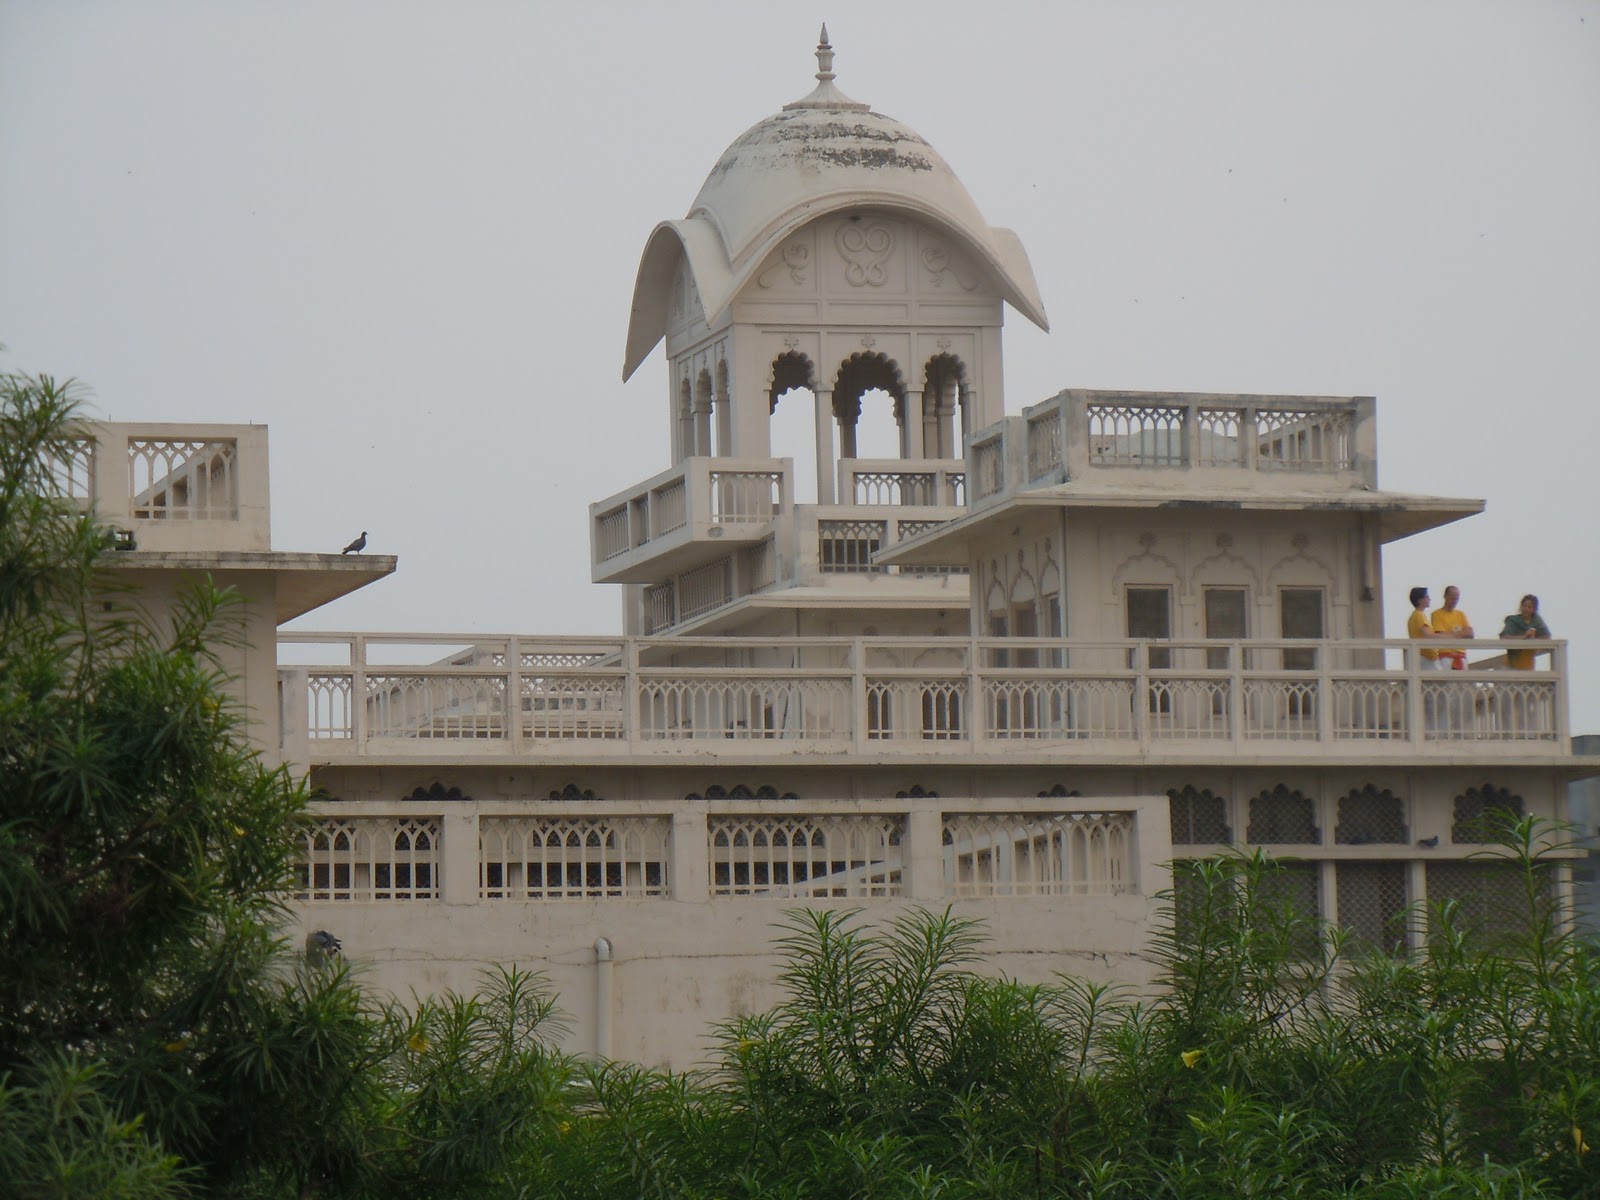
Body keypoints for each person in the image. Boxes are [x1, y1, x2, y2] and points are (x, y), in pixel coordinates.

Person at [1500, 594, 1551, 670]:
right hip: (1511, 664)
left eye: (1529, 607)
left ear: (1534, 609)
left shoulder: (1537, 621)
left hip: (1528, 666)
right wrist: (1524, 637)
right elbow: (1504, 637)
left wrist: (1534, 640)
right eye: (1524, 606)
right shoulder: (1513, 620)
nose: (1526, 609)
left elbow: (1547, 637)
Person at [1430, 585, 1474, 669]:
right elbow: (1441, 635)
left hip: (1461, 657)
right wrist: (1461, 634)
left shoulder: (1460, 614)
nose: (1454, 601)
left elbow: (1470, 634)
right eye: (1452, 598)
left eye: (1456, 599)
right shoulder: (1437, 614)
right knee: (1449, 682)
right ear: (1445, 596)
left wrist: (1452, 634)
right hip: (1446, 657)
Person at [1406, 586, 1444, 669]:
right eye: (1427, 597)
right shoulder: (1419, 615)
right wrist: (1449, 637)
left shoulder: (1415, 616)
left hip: (1423, 657)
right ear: (1420, 600)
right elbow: (1428, 635)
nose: (1429, 599)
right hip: (1426, 657)